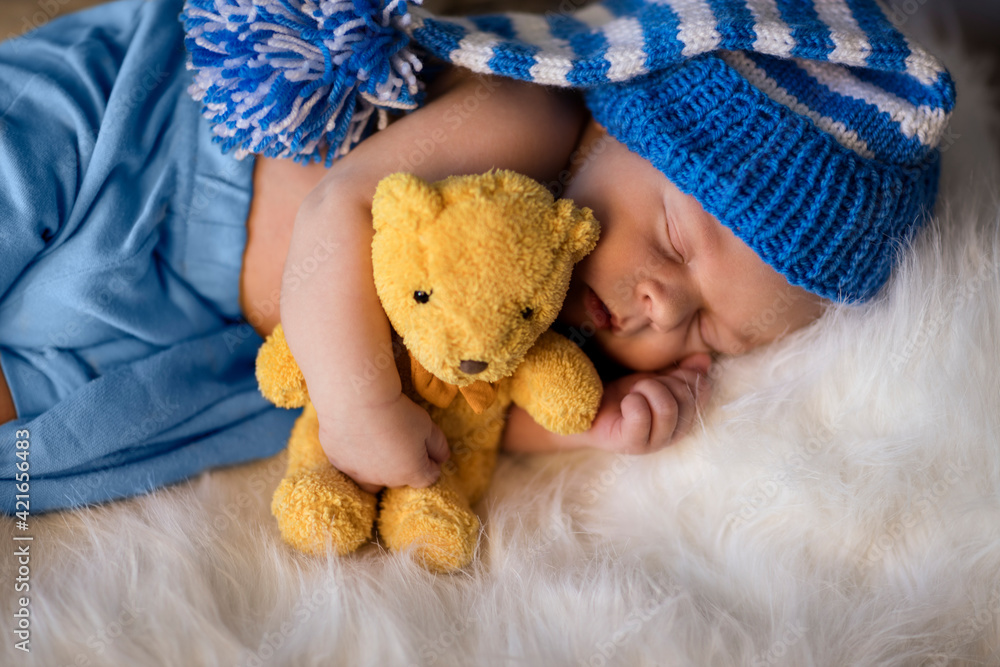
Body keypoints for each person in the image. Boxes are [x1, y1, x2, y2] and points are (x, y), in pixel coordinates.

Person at [0, 0, 954, 512]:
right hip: (142, 151)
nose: (664, 304)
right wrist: (361, 404)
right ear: (628, 128)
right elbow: (344, 207)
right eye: (675, 241)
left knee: (49, 425)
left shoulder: (561, 325)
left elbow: (470, 406)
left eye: (710, 327)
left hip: (189, 332)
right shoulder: (530, 120)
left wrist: (595, 426)